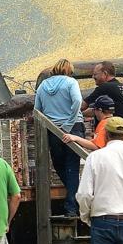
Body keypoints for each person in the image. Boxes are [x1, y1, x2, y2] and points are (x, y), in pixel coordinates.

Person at [34, 59, 86, 217]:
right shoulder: (71, 82)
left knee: (58, 164)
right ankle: (72, 204)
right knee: (72, 166)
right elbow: (77, 101)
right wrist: (69, 123)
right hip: (74, 127)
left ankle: (72, 201)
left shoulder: (43, 86)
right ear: (69, 70)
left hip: (52, 129)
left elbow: (37, 109)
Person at [83, 61, 123, 126]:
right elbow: (97, 111)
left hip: (117, 132)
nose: (93, 77)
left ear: (105, 74)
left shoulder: (105, 87)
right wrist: (81, 114)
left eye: (95, 74)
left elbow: (83, 105)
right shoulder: (121, 87)